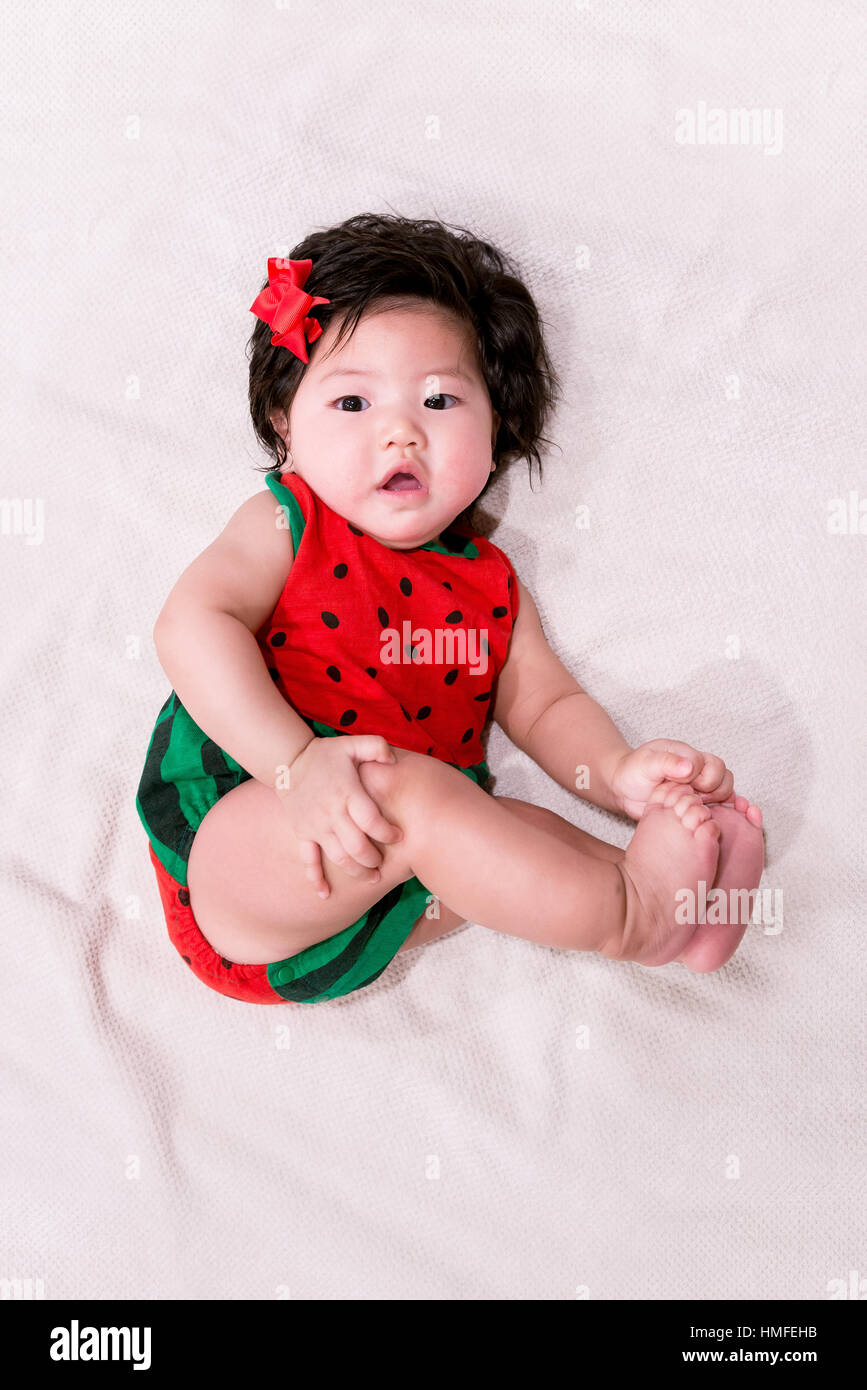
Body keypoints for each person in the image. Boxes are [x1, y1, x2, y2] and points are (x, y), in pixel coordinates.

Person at [136, 212, 764, 1005]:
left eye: (438, 401)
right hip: (243, 854)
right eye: (353, 404)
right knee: (409, 792)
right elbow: (191, 625)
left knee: (508, 831)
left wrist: (616, 773)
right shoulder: (286, 522)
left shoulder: (490, 584)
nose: (400, 433)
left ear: (495, 428)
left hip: (406, 882)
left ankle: (694, 913)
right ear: (283, 425)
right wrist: (294, 768)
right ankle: (636, 918)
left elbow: (546, 703)